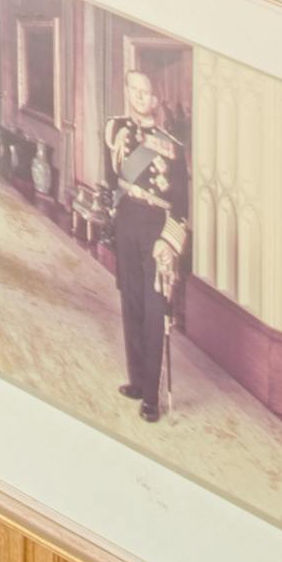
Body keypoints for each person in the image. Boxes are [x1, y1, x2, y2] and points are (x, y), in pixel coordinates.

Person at [89, 59, 199, 423]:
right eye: (134, 90)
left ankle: (151, 396)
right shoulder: (115, 129)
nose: (140, 96)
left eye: (146, 92)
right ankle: (137, 380)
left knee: (154, 310)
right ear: (128, 95)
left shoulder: (173, 146)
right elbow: (114, 174)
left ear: (156, 100)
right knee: (131, 301)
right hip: (127, 220)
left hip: (156, 227)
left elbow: (181, 204)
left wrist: (169, 242)